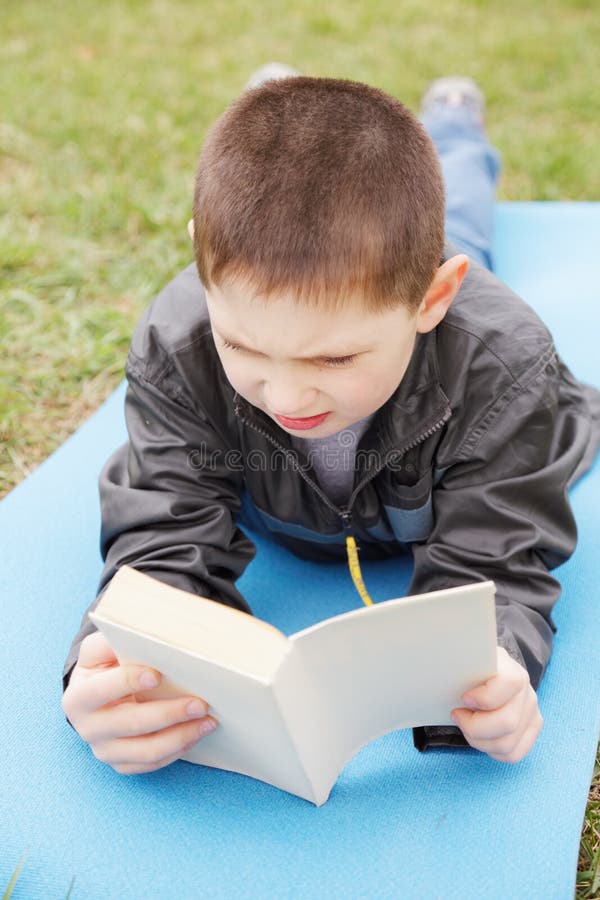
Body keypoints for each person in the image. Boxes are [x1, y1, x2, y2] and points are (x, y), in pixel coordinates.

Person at [61, 69, 600, 776]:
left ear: (434, 296)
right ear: (201, 261)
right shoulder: (177, 344)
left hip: (445, 311)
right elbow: (163, 530)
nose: (284, 394)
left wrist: (491, 669)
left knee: (463, 221)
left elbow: (495, 560)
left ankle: (457, 124)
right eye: (244, 346)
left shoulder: (503, 370)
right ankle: (281, 101)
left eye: (338, 357)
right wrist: (119, 665)